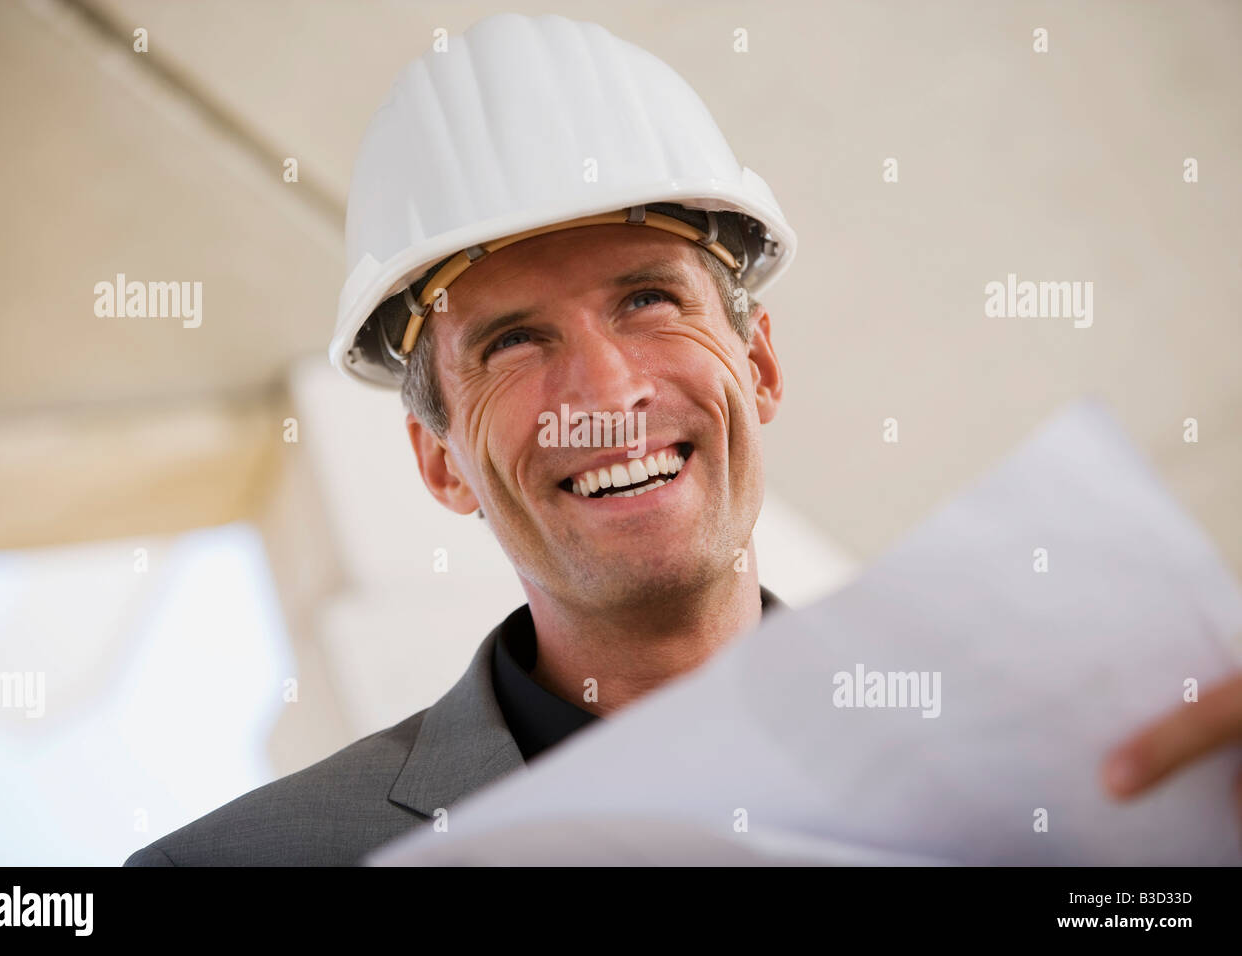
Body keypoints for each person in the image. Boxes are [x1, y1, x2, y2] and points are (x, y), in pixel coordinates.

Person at [126, 12, 1242, 867]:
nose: (603, 390)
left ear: (756, 367)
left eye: (649, 300)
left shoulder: (1058, 773)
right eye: (514, 341)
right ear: (438, 461)